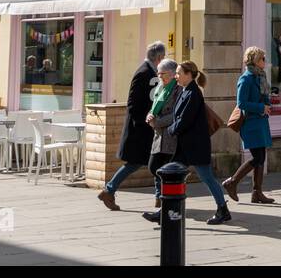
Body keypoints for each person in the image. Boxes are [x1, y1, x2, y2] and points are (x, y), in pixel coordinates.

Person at [98, 41, 165, 211]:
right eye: (163, 58)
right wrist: (145, 122)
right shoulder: (143, 72)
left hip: (147, 128)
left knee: (157, 160)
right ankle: (109, 190)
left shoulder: (150, 71)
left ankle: (159, 197)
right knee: (136, 163)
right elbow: (133, 104)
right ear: (158, 57)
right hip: (141, 130)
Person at [168, 60, 231, 225]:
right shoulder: (185, 91)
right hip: (186, 146)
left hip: (195, 146)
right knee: (173, 177)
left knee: (207, 178)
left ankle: (223, 209)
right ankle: (167, 209)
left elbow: (185, 119)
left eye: (178, 73)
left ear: (188, 75)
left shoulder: (193, 93)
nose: (176, 76)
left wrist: (171, 129)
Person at [221, 46, 276, 204]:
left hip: (261, 122)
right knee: (257, 157)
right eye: (262, 59)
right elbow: (241, 103)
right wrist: (260, 107)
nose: (264, 61)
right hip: (251, 123)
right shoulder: (246, 78)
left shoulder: (261, 76)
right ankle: (232, 182)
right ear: (254, 60)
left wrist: (267, 105)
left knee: (261, 157)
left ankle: (257, 193)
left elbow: (264, 96)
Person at [141, 57, 180, 223]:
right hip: (158, 136)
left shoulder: (177, 90)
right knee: (156, 168)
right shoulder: (160, 88)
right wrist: (150, 115)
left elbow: (177, 114)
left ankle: (166, 205)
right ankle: (164, 202)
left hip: (170, 136)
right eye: (158, 73)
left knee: (161, 169)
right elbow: (155, 105)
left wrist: (157, 122)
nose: (159, 76)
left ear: (172, 75)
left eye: (162, 73)